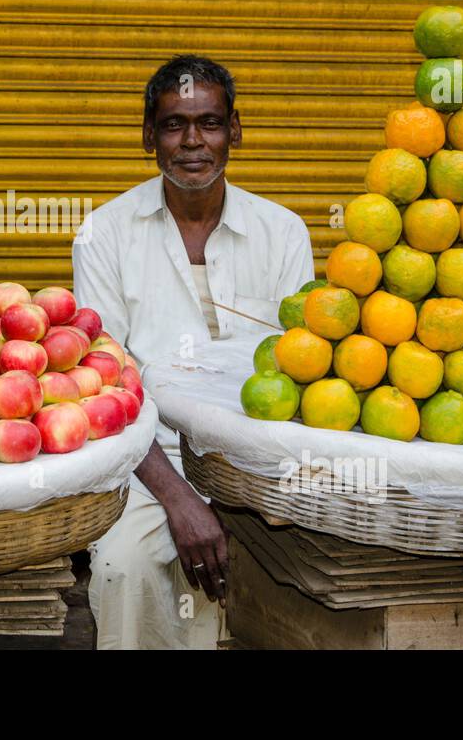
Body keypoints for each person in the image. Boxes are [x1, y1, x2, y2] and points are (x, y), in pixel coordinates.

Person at [72, 54, 315, 650]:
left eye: (208, 123)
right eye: (174, 124)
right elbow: (107, 390)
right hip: (149, 465)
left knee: (312, 577)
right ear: (148, 136)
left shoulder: (283, 231)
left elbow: (304, 368)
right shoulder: (104, 234)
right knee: (123, 566)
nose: (192, 142)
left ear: (235, 130)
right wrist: (180, 498)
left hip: (263, 464)